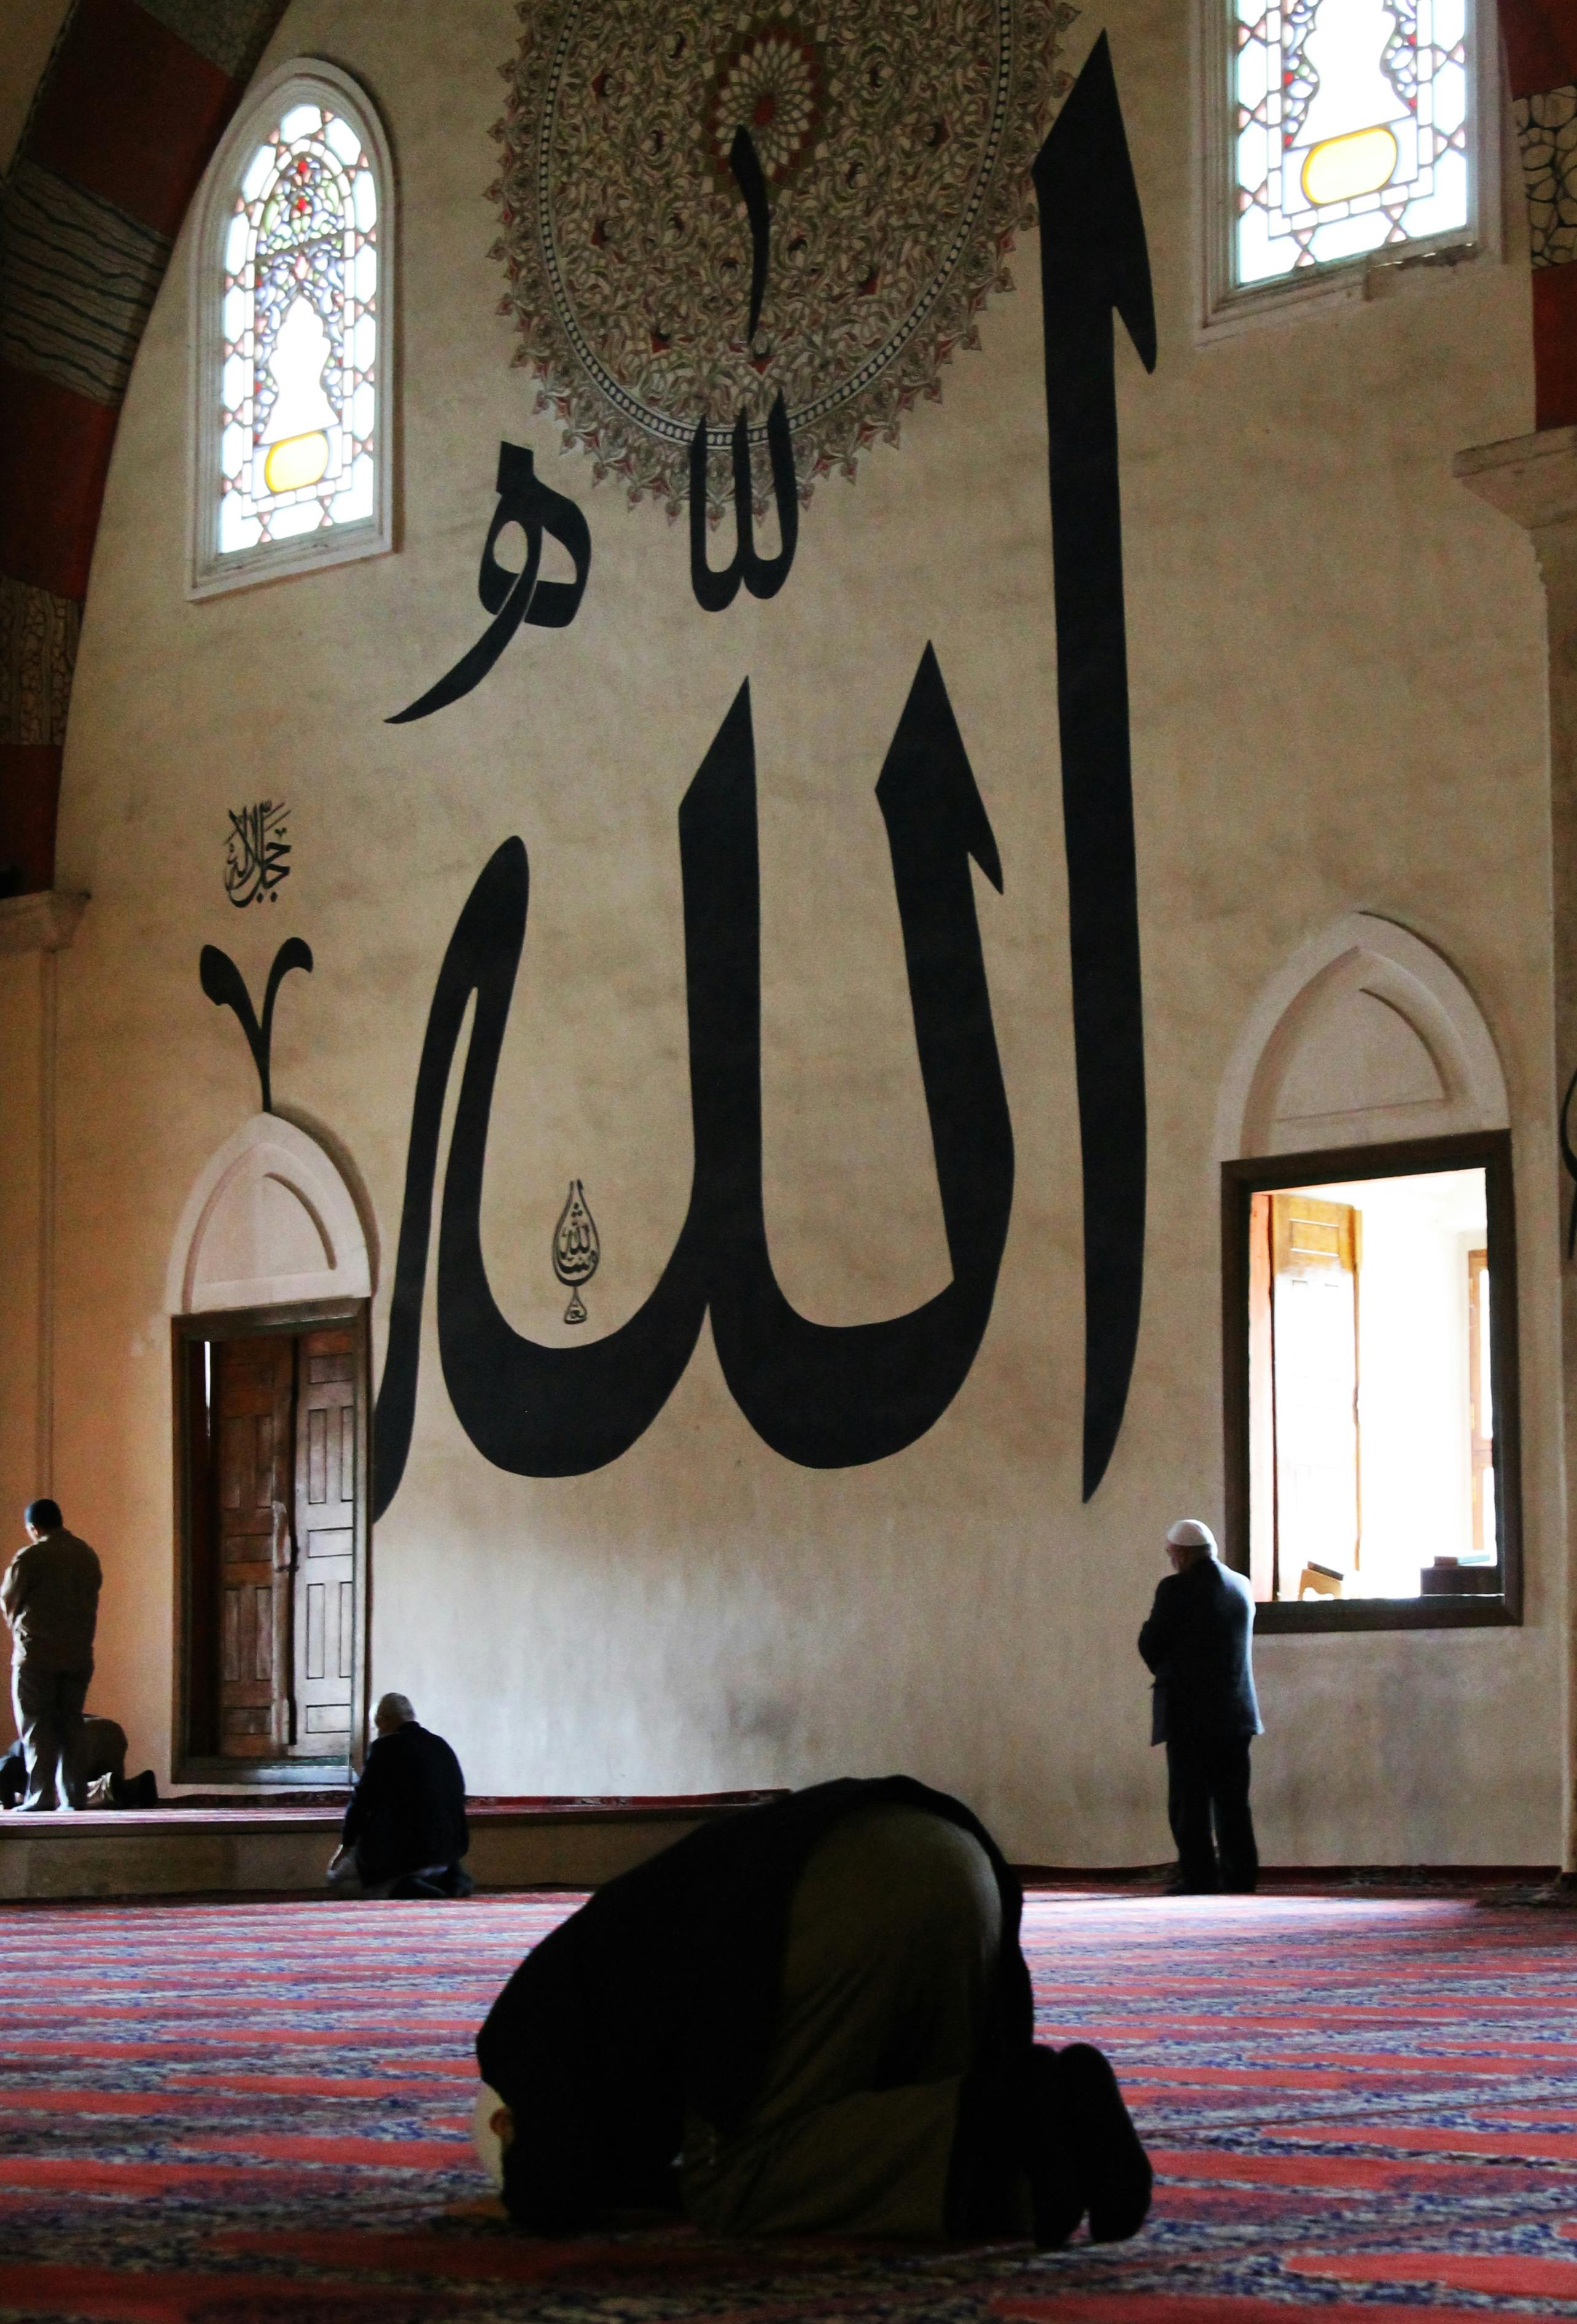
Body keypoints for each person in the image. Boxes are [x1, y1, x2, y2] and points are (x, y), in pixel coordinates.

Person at [471, 1774, 1151, 2245]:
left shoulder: (516, 2036)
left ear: (506, 2119)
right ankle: (1056, 2133)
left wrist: (518, 2186)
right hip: (959, 1861)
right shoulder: (597, 1959)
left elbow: (553, 2189)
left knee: (735, 2180)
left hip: (842, 1898)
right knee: (912, 2114)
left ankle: (1025, 2104)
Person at [1138, 1517, 1262, 1895]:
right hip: (1237, 1713)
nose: (1171, 1561)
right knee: (1232, 1803)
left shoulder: (1175, 1589)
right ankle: (1240, 1877)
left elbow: (1151, 1643)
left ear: (1183, 1554)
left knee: (1189, 1803)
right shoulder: (1241, 1585)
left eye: (1172, 1554)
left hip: (1190, 1716)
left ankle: (1199, 1878)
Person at [1, 1499, 102, 1812]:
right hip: (78, 1656)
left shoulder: (31, 1556)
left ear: (34, 1528)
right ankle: (74, 1799)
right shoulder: (86, 1555)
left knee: (36, 1728)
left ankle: (40, 1797)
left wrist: (22, 1632)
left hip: (36, 1658)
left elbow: (8, 1601)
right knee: (72, 1725)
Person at [326, 1692, 470, 1898]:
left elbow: (361, 1803)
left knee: (336, 1879)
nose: (377, 1732)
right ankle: (452, 1879)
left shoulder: (384, 1748)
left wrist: (345, 1847)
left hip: (406, 1856)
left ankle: (402, 1889)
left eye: (376, 1726)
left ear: (384, 1721)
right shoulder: (441, 1745)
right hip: (449, 1852)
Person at [0, 1714, 156, 1810]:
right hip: (108, 1731)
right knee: (108, 1801)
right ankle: (133, 1787)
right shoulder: (16, 1752)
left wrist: (8, 1803)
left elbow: (7, 1770)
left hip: (76, 1739)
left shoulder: (8, 1762)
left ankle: (112, 1788)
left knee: (49, 1799)